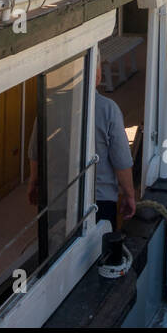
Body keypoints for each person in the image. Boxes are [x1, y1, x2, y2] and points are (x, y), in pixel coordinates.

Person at [26, 67, 136, 227]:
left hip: (55, 199)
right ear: (97, 77)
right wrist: (129, 194)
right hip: (99, 202)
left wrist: (33, 183)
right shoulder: (108, 109)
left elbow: (35, 154)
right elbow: (121, 161)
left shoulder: (47, 108)